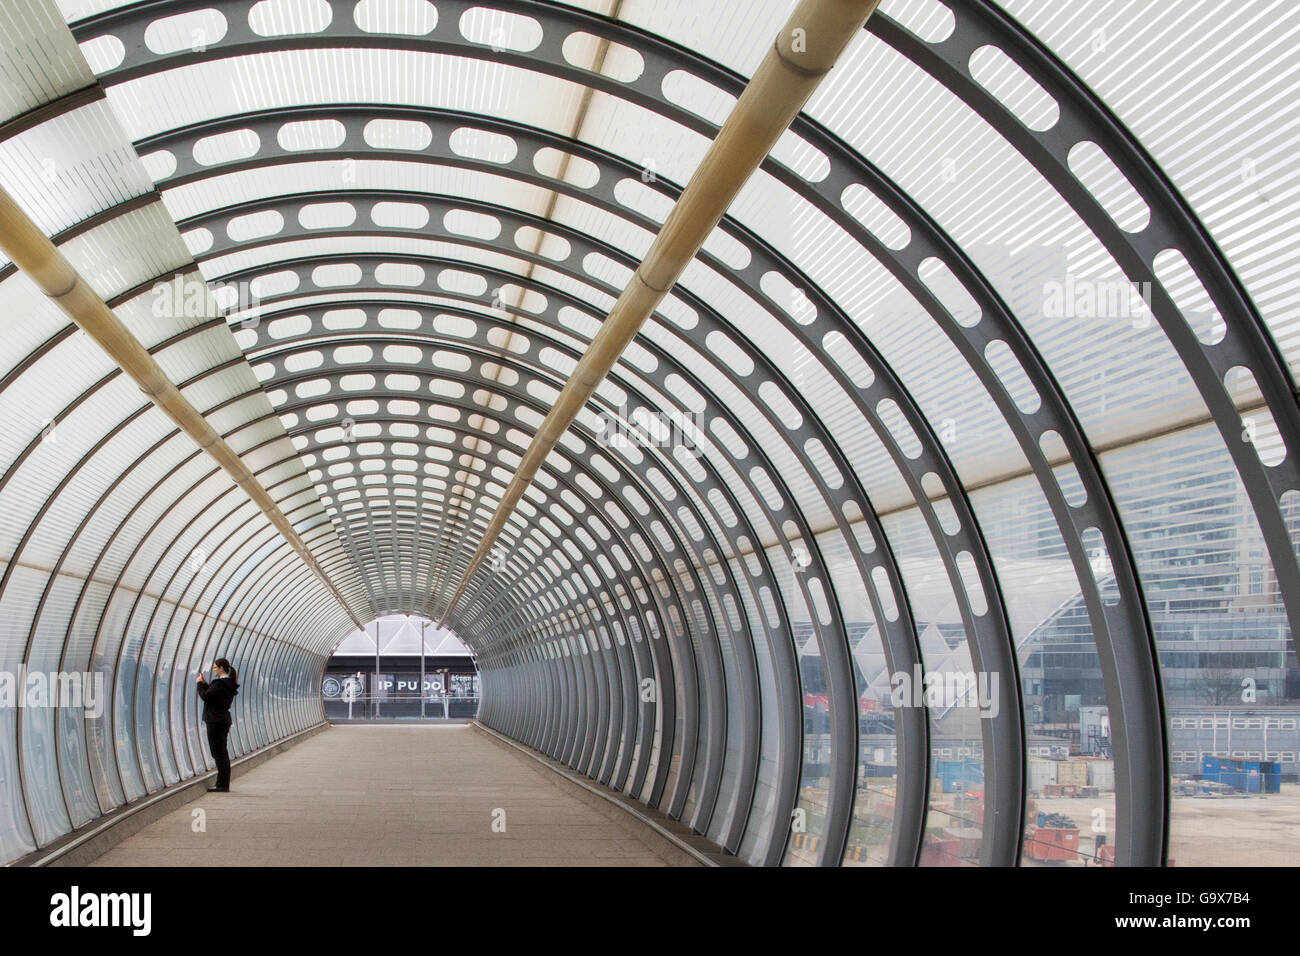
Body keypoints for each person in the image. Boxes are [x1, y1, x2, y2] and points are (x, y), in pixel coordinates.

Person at [196, 658, 239, 792]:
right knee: (221, 752)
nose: (214, 670)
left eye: (215, 667)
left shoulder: (220, 683)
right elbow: (213, 695)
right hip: (222, 720)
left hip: (215, 721)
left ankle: (222, 785)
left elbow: (206, 696)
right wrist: (205, 684)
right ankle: (223, 783)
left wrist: (199, 684)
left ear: (221, 668)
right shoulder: (227, 683)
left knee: (218, 753)